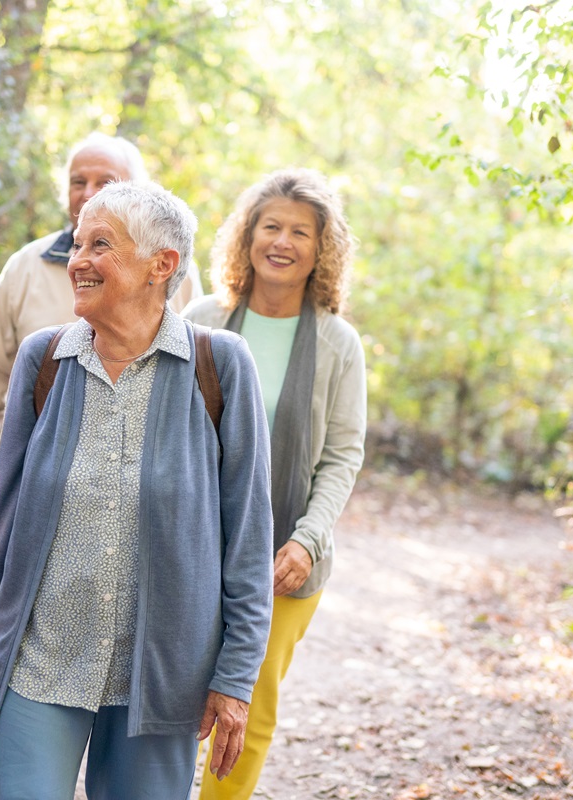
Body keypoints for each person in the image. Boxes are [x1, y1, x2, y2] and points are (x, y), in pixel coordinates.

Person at [0, 181, 273, 798]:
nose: (77, 261)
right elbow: (4, 523)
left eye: (99, 245)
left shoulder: (221, 366)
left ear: (163, 266)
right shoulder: (44, 359)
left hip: (163, 677)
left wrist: (235, 678)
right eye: (77, 245)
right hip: (40, 658)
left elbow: (247, 541)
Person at [184, 168, 367, 799]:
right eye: (271, 226)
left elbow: (343, 455)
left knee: (247, 707)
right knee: (171, 688)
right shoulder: (203, 319)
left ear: (323, 249)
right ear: (247, 235)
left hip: (286, 558)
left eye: (300, 231)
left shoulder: (338, 343)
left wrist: (309, 540)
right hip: (191, 545)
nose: (282, 241)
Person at [0, 133, 202, 520]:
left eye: (105, 182)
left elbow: (192, 374)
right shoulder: (26, 265)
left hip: (140, 490)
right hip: (33, 480)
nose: (88, 193)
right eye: (78, 181)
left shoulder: (179, 278)